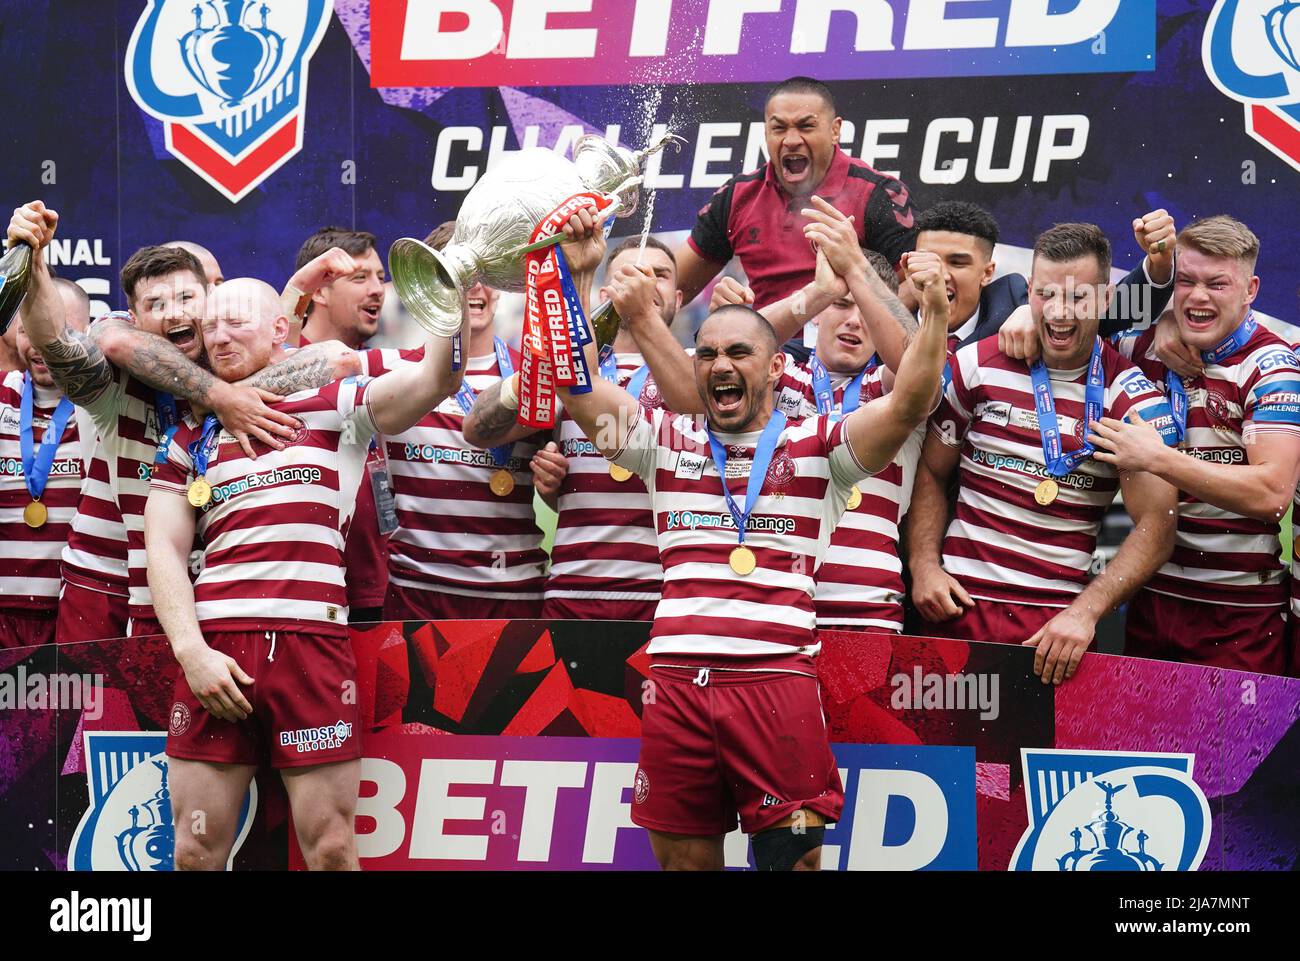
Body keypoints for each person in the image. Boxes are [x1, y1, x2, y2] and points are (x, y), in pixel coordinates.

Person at [491, 207, 949, 870]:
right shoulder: (662, 442)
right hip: (677, 685)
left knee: (792, 865)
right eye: (706, 353)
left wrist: (927, 311)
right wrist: (578, 276)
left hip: (777, 684)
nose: (719, 365)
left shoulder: (820, 447)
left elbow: (911, 399)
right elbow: (579, 385)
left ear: (774, 371)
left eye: (739, 353)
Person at [145, 278, 466, 871]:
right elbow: (162, 545)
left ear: (280, 330)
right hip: (217, 652)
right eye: (210, 324)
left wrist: (444, 299)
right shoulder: (194, 433)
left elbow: (434, 382)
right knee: (193, 852)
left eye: (236, 321)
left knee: (332, 848)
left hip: (312, 647)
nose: (218, 334)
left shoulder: (338, 403)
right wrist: (191, 651)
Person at [7, 202, 361, 638]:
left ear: (211, 301)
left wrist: (229, 393)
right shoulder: (116, 380)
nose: (174, 312)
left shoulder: (235, 366)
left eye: (187, 298)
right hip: (109, 591)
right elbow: (59, 341)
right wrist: (36, 261)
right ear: (135, 318)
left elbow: (332, 357)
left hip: (204, 599)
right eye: (156, 304)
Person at [908, 222, 1182, 685]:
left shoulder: (1130, 400)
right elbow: (932, 473)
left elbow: (1158, 525)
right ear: (1028, 292)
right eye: (1047, 294)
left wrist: (1085, 613)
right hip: (954, 609)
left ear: (1106, 299)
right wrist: (923, 566)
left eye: (1078, 298)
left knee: (1033, 762)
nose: (1059, 313)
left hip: (1055, 633)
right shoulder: (976, 366)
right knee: (934, 757)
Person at [1088, 216, 1300, 675]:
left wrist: (1160, 459)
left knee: (1241, 750)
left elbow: (1272, 495)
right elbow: (1079, 333)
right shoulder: (1146, 349)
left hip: (1239, 611)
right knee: (1146, 748)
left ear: (1251, 290)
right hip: (1153, 601)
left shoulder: (1271, 367)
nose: (1198, 296)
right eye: (1186, 281)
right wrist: (1025, 312)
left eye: (1217, 285)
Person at [362, 223, 548, 621]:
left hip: (513, 595)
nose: (473, 290)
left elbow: (568, 486)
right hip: (414, 594)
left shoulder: (533, 375)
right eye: (456, 277)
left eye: (483, 276)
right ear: (428, 286)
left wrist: (556, 478)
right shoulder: (387, 371)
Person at [676, 75, 917, 357]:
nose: (791, 140)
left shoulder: (878, 193)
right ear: (765, 132)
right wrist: (724, 314)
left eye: (806, 126)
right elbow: (670, 293)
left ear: (835, 130)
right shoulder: (737, 196)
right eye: (778, 128)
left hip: (852, 365)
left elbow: (915, 286)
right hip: (764, 361)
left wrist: (862, 324)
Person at [533, 235, 681, 621]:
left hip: (666, 595)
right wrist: (550, 484)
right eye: (630, 273)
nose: (644, 281)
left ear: (679, 299)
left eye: (659, 275)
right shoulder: (564, 372)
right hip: (573, 589)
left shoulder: (698, 371)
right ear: (605, 293)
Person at [915, 200, 1178, 354]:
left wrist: (1160, 261)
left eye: (957, 262)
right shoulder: (885, 313)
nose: (938, 274)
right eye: (927, 260)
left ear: (987, 273)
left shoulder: (1012, 301)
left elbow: (1122, 307)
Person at [293, 226, 389, 624]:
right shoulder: (269, 367)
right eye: (360, 278)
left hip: (373, 590)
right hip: (298, 597)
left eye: (381, 278)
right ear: (319, 290)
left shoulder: (382, 368)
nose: (378, 290)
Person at [0, 296, 91, 648]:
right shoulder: (3, 394)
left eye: (57, 330)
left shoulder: (104, 405)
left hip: (76, 615)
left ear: (88, 329)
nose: (41, 344)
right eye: (28, 330)